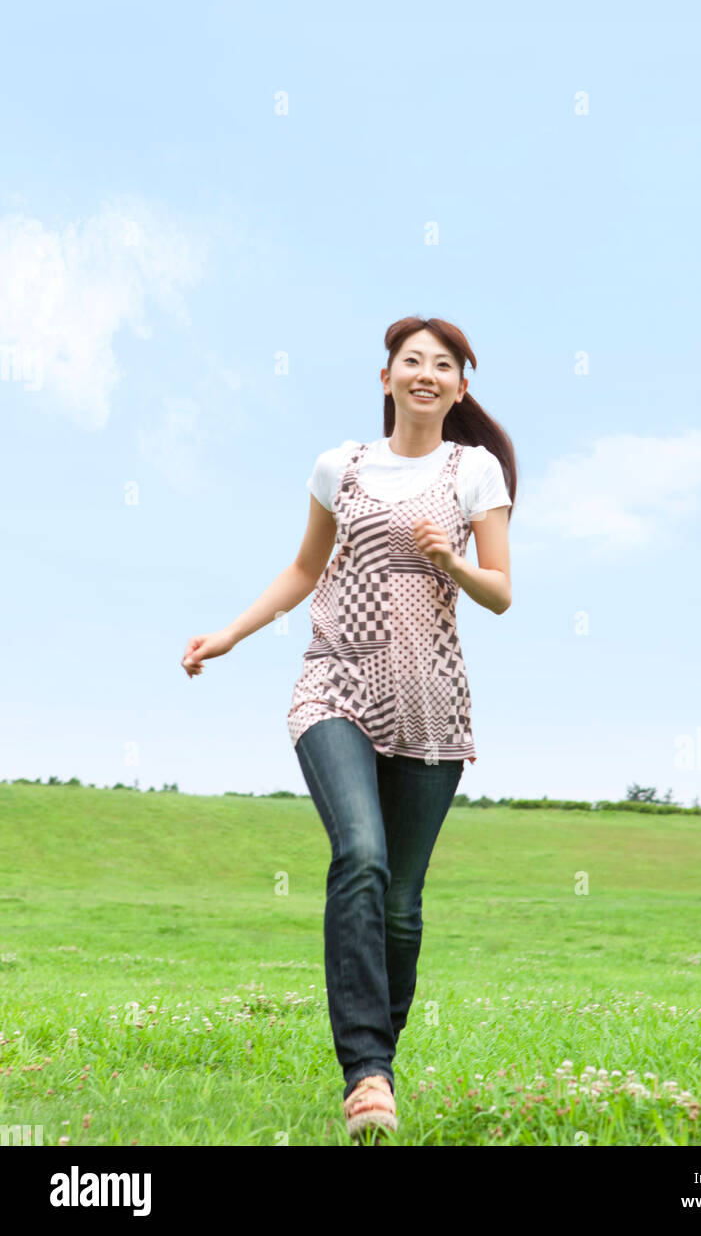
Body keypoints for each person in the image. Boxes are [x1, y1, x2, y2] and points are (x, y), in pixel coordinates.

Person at [181, 316, 516, 1143]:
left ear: (461, 388)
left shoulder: (473, 472)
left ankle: (380, 1061)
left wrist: (452, 562)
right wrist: (229, 633)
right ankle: (366, 1073)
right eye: (412, 361)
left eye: (444, 365)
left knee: (400, 904)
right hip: (334, 682)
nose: (426, 374)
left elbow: (502, 590)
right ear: (387, 377)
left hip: (431, 703)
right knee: (360, 854)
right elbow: (304, 568)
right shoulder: (343, 465)